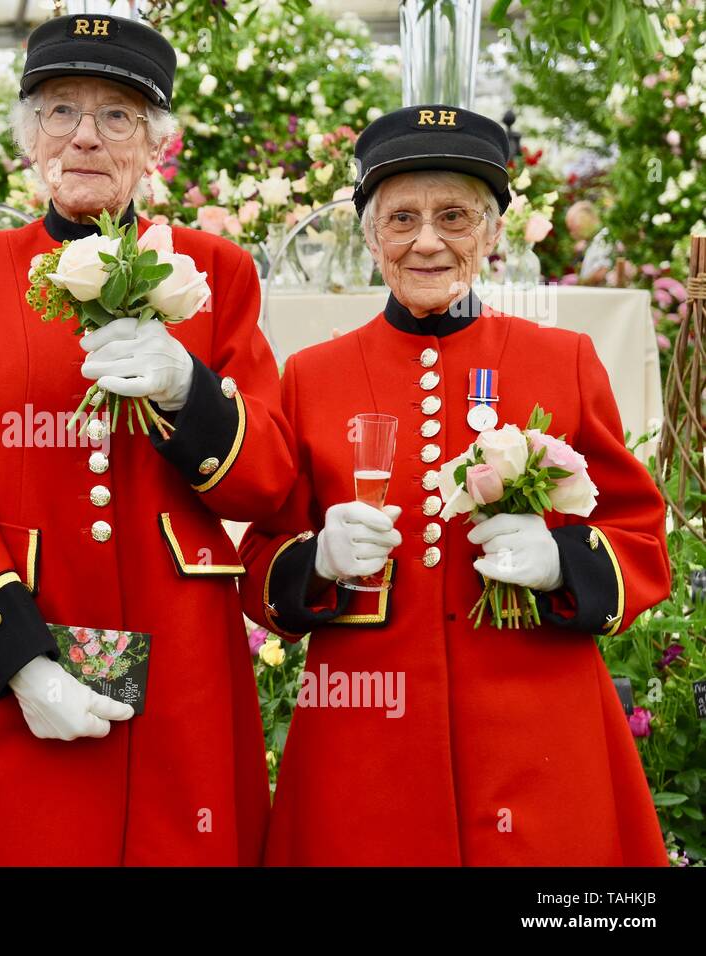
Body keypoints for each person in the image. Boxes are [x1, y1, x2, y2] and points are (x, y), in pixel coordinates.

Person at [0, 13, 297, 865]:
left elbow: (265, 484)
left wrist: (193, 392)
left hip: (176, 645)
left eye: (117, 116)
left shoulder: (217, 272)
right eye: (61, 110)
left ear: (155, 144)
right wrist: (17, 658)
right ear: (30, 135)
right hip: (11, 637)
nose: (85, 136)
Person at [239, 104, 671, 865]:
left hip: (537, 733)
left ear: (495, 234)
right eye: (401, 218)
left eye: (455, 216)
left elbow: (640, 535)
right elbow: (258, 565)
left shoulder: (563, 358)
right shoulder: (311, 376)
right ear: (372, 239)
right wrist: (317, 560)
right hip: (364, 740)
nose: (428, 241)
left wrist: (563, 558)